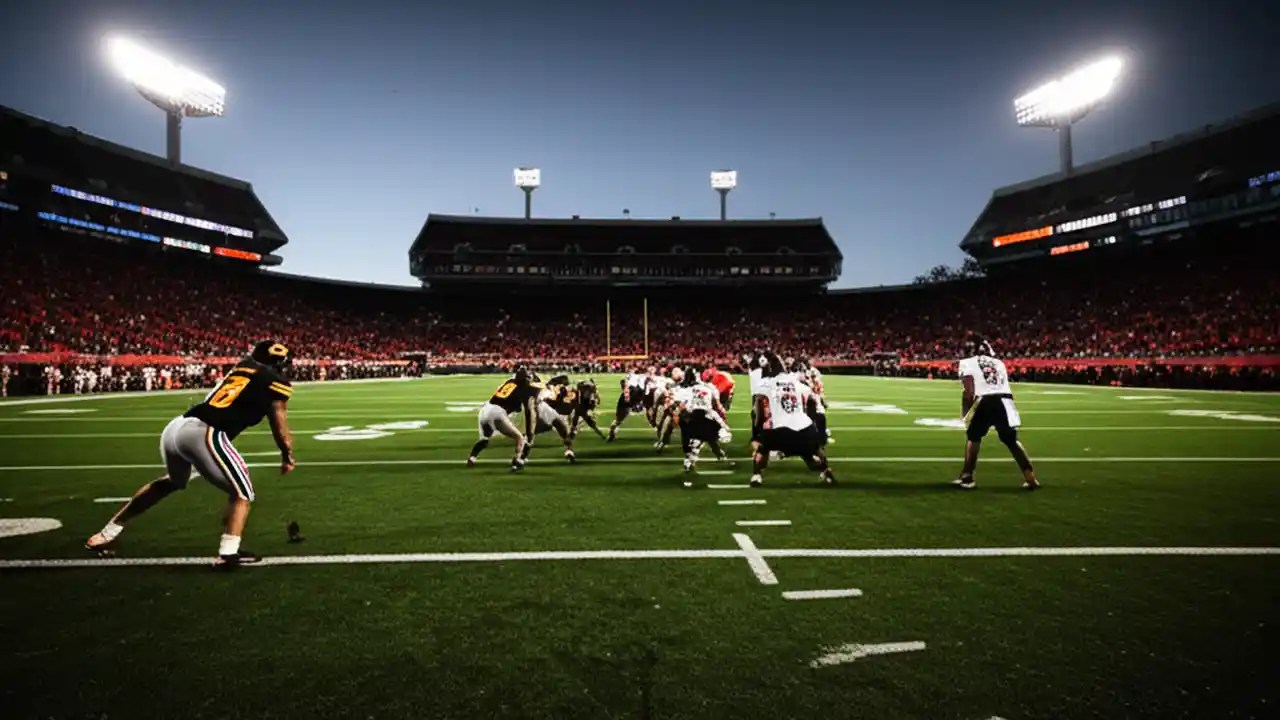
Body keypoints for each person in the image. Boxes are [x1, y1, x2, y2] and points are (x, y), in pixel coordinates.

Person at [84, 341, 297, 569]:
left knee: (172, 482)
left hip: (178, 426)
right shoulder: (276, 384)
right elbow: (279, 426)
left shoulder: (243, 367)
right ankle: (228, 553)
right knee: (242, 493)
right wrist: (287, 455)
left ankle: (106, 533)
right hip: (206, 432)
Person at [954, 337, 1039, 491]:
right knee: (1011, 440)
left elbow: (968, 391)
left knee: (973, 437)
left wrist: (965, 413)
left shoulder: (967, 362)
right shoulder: (999, 362)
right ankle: (1030, 476)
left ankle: (967, 476)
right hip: (1006, 401)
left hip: (986, 400)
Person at [751, 352, 836, 488]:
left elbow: (759, 407)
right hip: (804, 428)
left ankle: (756, 475)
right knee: (814, 450)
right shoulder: (796, 381)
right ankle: (827, 472)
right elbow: (812, 400)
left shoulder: (766, 384)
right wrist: (810, 420)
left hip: (780, 430)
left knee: (763, 448)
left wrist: (758, 430)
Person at [468, 366, 541, 471]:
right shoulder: (523, 388)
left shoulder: (509, 381)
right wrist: (530, 432)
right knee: (520, 438)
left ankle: (472, 457)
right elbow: (527, 410)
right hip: (498, 412)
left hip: (485, 409)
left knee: (485, 439)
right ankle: (517, 460)